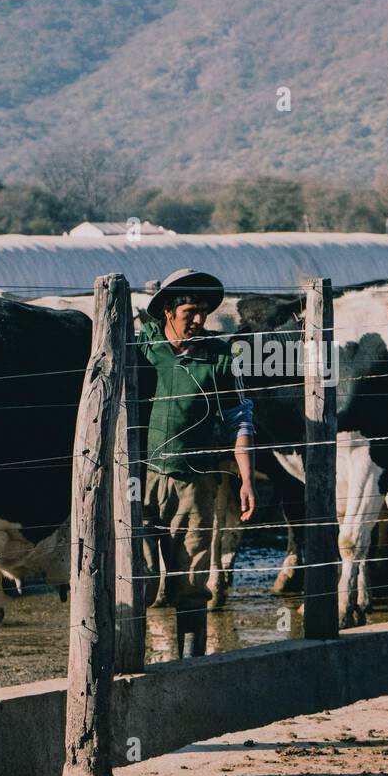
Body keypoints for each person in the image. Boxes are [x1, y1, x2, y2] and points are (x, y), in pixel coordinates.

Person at [137, 269, 255, 657]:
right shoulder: (141, 349)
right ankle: (131, 658)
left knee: (192, 574)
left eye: (204, 312)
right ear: (168, 310)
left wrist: (246, 478)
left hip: (195, 482)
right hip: (142, 478)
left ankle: (191, 663)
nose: (200, 320)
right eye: (191, 311)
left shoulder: (220, 357)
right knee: (139, 574)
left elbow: (241, 418)